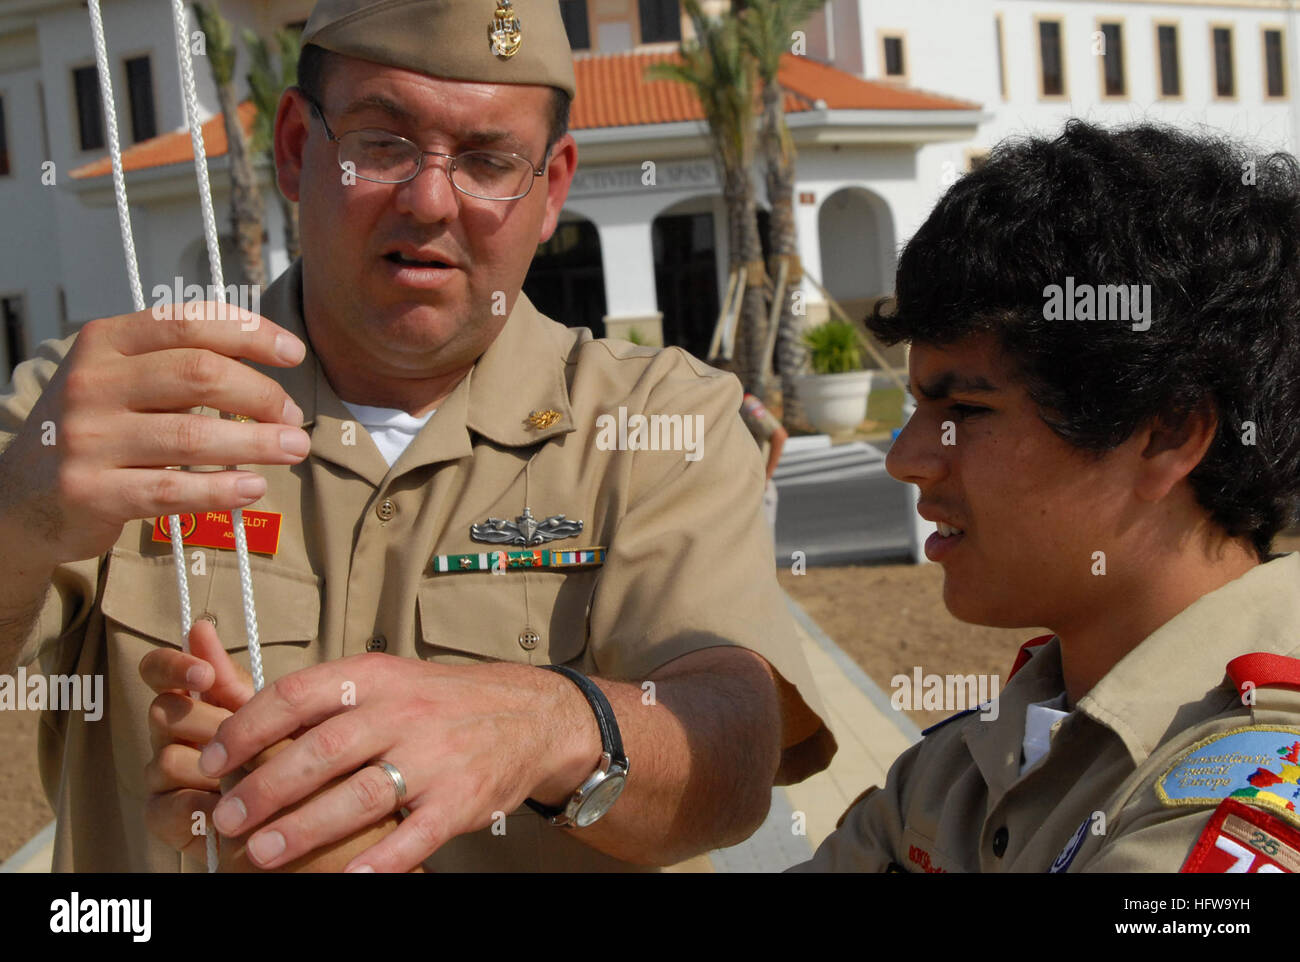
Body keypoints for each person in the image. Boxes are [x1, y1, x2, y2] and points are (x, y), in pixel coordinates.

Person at [0, 0, 835, 872]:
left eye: (487, 160)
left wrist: (537, 726)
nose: (431, 200)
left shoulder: (658, 422)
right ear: (293, 148)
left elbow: (733, 756)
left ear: (550, 190)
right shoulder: (115, 403)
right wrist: (22, 515)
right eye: (383, 143)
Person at [793, 120, 1300, 873]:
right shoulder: (960, 768)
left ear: (1164, 434)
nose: (907, 460)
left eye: (966, 411)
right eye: (918, 412)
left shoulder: (1253, 795)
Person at [709, 356, 787, 530]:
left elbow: (779, 436)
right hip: (740, 489)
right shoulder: (726, 407)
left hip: (756, 488)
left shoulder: (747, 405)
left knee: (762, 551)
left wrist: (765, 478)